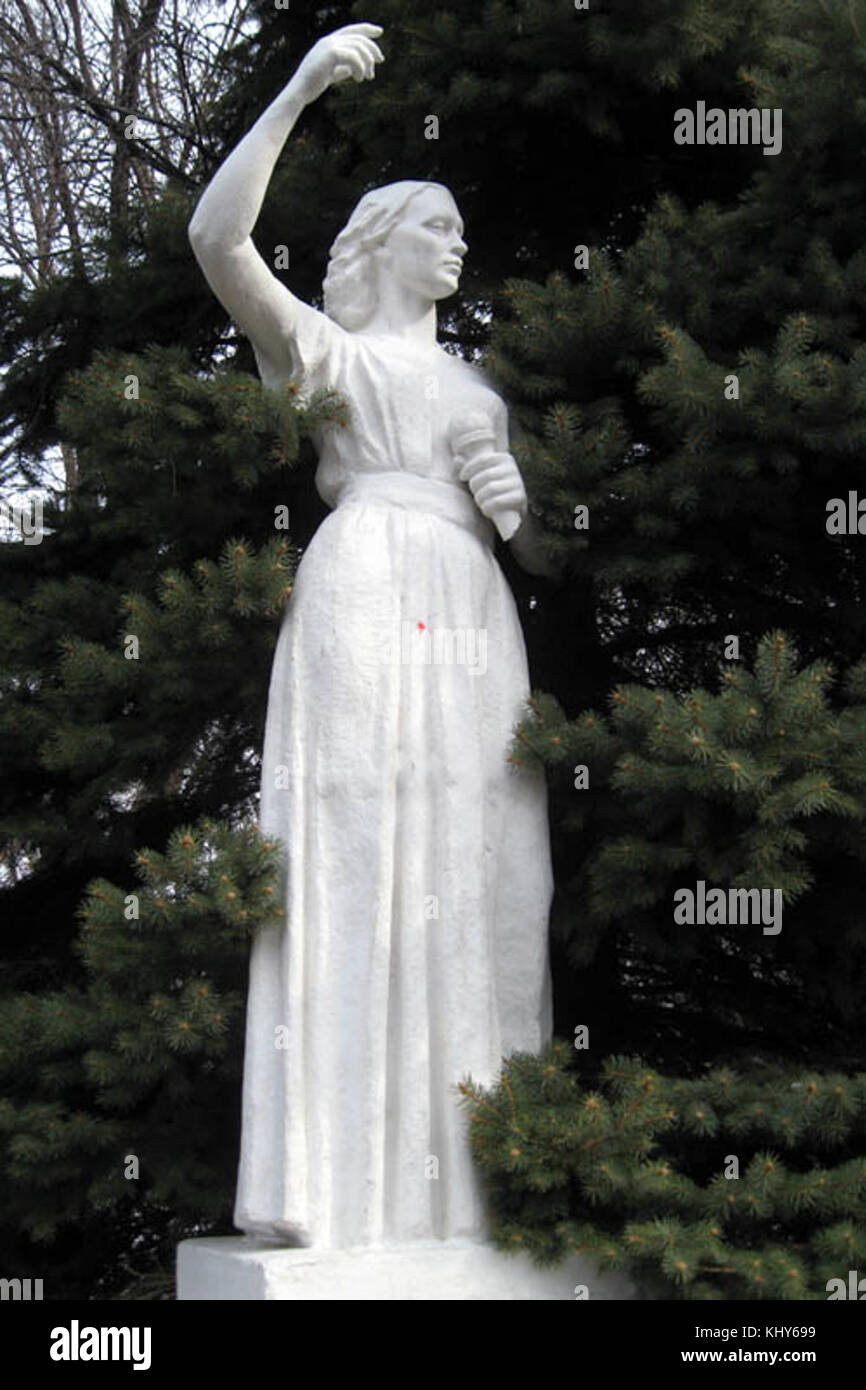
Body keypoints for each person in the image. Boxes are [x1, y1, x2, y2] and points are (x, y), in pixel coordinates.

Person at [189, 22, 554, 1249]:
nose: (457, 240)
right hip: (362, 588)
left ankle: (467, 1196)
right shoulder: (329, 353)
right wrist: (299, 87)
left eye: (461, 228)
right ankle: (331, 1189)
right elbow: (217, 242)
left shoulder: (479, 396)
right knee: (350, 862)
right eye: (434, 224)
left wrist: (511, 513)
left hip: (467, 608)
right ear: (378, 244)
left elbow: (539, 549)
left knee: (489, 872)